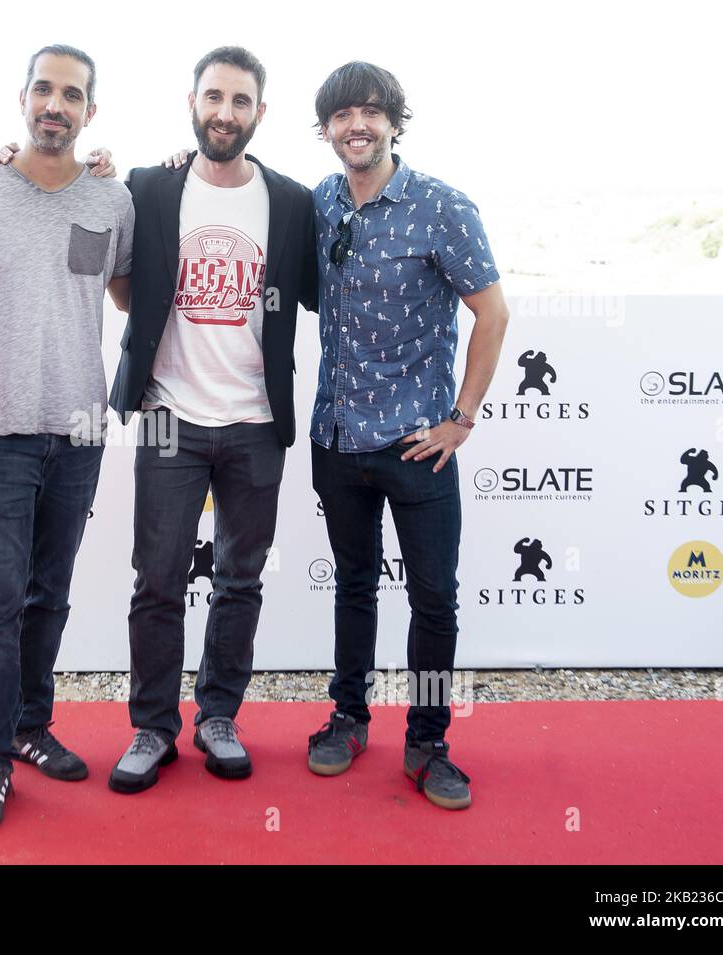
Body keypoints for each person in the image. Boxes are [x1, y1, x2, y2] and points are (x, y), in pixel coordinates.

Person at [104, 47, 317, 793]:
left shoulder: (292, 202)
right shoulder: (149, 186)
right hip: (169, 413)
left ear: (261, 112)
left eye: (241, 100)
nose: (225, 113)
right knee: (157, 580)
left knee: (240, 579)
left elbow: (326, 289)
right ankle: (152, 726)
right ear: (191, 103)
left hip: (257, 419)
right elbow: (113, 269)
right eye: (214, 97)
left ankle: (219, 715)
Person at [0, 44, 133, 832]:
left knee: (49, 594)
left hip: (78, 430)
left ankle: (29, 725)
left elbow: (126, 295)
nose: (56, 104)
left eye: (72, 94)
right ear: (22, 99)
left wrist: (120, 175)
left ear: (90, 111)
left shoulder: (113, 200)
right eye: (44, 90)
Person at [304, 62, 509, 810]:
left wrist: (462, 418)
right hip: (336, 439)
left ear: (394, 122)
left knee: (434, 601)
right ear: (326, 129)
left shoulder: (442, 207)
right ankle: (348, 718)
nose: (356, 125)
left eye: (370, 112)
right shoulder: (321, 202)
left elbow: (493, 313)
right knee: (354, 587)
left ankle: (428, 742)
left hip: (418, 446)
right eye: (341, 114)